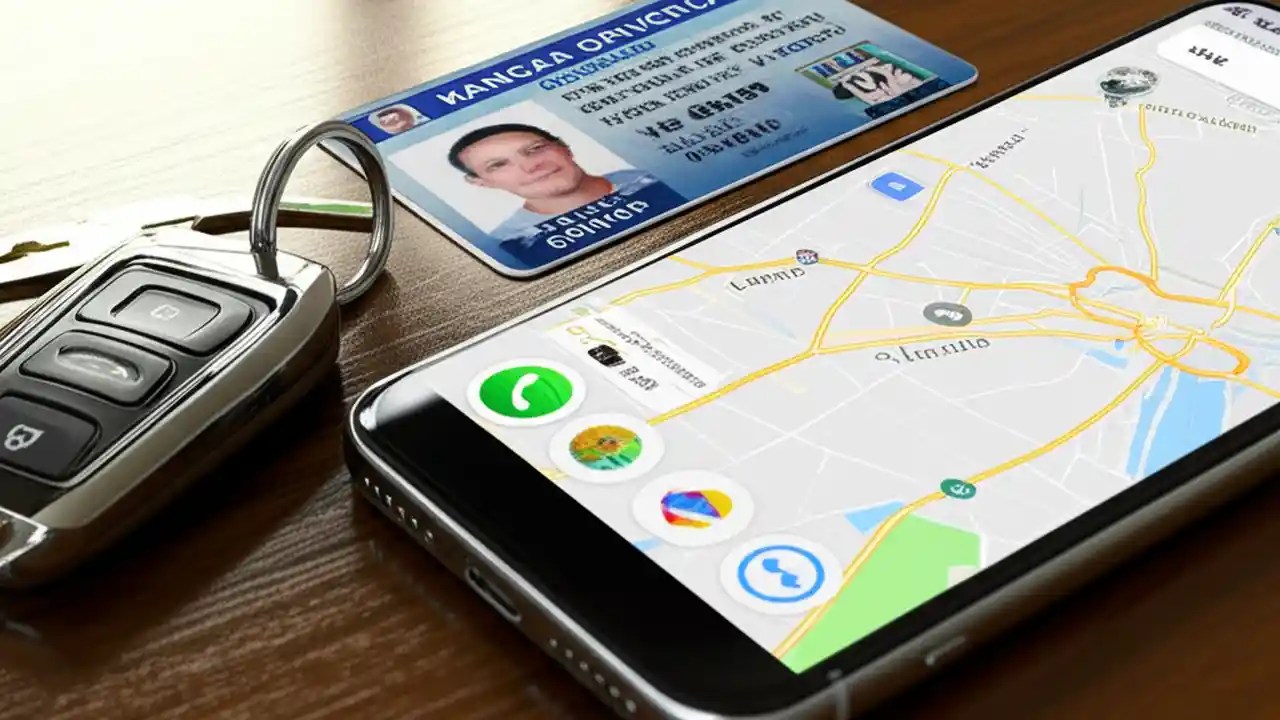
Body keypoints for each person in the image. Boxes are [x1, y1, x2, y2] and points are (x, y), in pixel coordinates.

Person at [447, 122, 658, 240]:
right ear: (481, 182)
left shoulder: (657, 177)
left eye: (535, 149)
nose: (531, 166)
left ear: (564, 147)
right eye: (498, 165)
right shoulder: (509, 243)